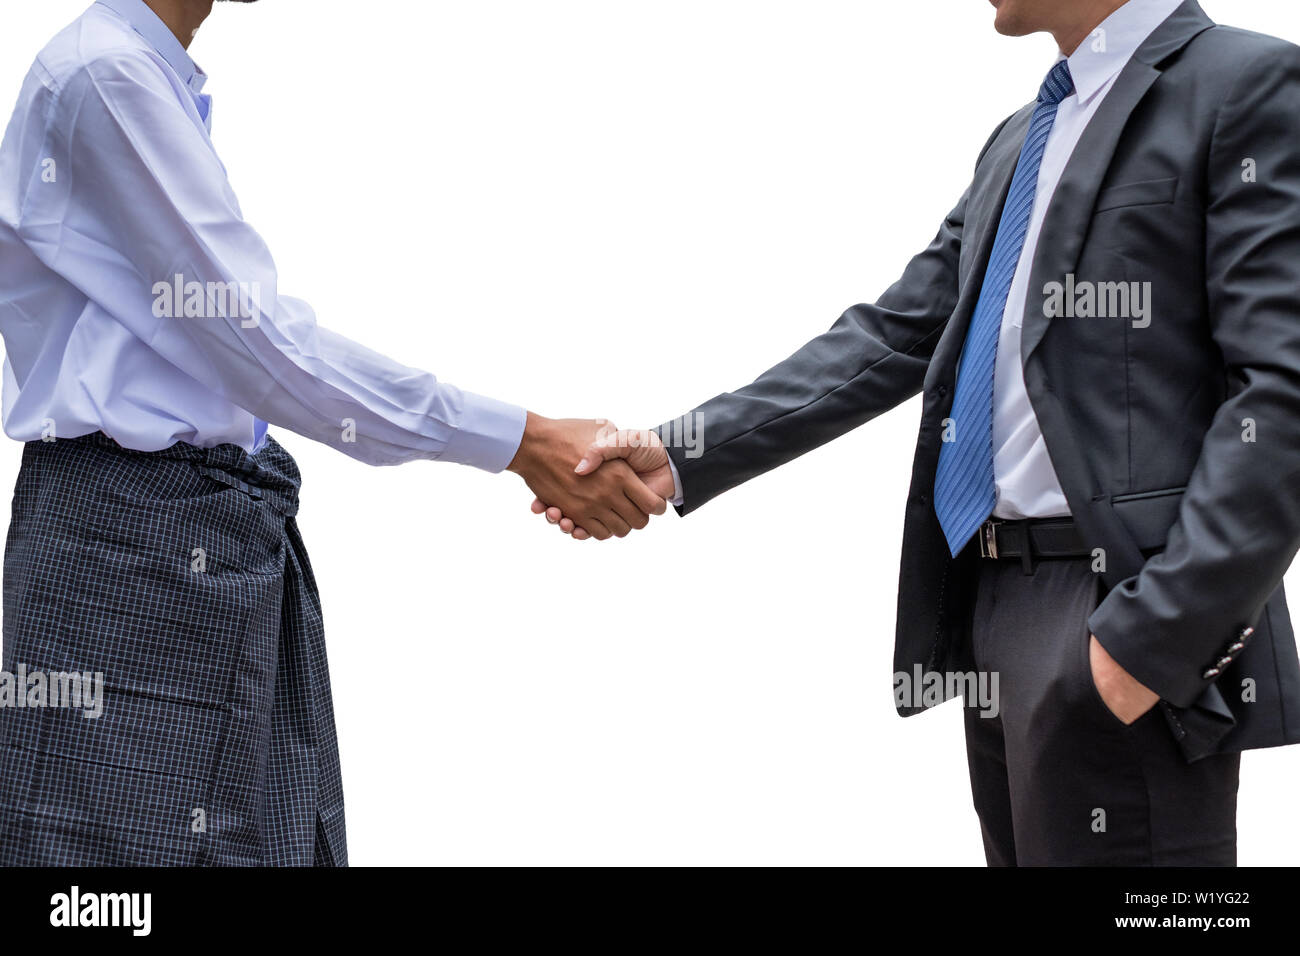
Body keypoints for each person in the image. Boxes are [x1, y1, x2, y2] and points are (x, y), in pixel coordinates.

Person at [539, 0, 1300, 865]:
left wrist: (1152, 641)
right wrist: (680, 451)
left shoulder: (1247, 85)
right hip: (995, 612)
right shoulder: (1023, 135)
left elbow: (1282, 394)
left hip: (1118, 609)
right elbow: (894, 333)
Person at [0, 0, 664, 866]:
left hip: (197, 542)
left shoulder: (141, 74)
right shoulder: (107, 77)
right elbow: (260, 345)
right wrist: (523, 440)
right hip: (132, 556)